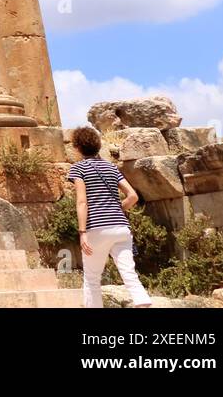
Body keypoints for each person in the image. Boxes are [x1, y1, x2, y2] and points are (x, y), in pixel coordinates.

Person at [68, 125, 152, 309]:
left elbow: (82, 202)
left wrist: (82, 232)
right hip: (121, 228)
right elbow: (133, 196)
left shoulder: (78, 169)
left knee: (92, 278)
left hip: (95, 229)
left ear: (77, 147)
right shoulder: (111, 168)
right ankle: (144, 304)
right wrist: (118, 208)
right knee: (129, 274)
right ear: (98, 145)